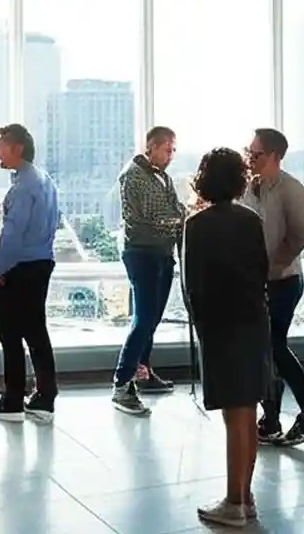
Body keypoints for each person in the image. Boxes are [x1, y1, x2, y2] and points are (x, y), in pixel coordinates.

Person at [183, 148, 272, 528]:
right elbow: (262, 269)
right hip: (253, 318)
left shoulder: (196, 225)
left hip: (220, 324)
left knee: (232, 415)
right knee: (247, 411)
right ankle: (245, 495)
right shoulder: (251, 220)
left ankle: (234, 501)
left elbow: (193, 286)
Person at [241, 128, 304, 447]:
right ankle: (271, 419)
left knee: (274, 346)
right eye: (249, 152)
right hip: (260, 281)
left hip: (284, 281)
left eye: (256, 153)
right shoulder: (252, 188)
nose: (250, 158)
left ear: (275, 156)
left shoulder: (291, 189)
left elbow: (299, 236)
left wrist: (272, 268)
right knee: (265, 349)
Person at [0, 123, 60, 424]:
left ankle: (12, 400)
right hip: (41, 263)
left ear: (17, 148)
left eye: (1, 145)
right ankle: (44, 397)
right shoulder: (44, 180)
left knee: (10, 335)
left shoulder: (22, 188)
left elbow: (12, 238)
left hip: (18, 269)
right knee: (36, 332)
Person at [112, 125, 186, 416]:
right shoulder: (135, 176)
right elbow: (161, 216)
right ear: (152, 146)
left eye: (173, 150)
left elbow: (175, 209)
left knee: (152, 318)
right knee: (143, 319)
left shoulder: (162, 177)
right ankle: (121, 383)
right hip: (143, 254)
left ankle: (142, 371)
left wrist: (181, 215)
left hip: (161, 253)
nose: (171, 156)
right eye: (167, 149)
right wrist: (185, 216)